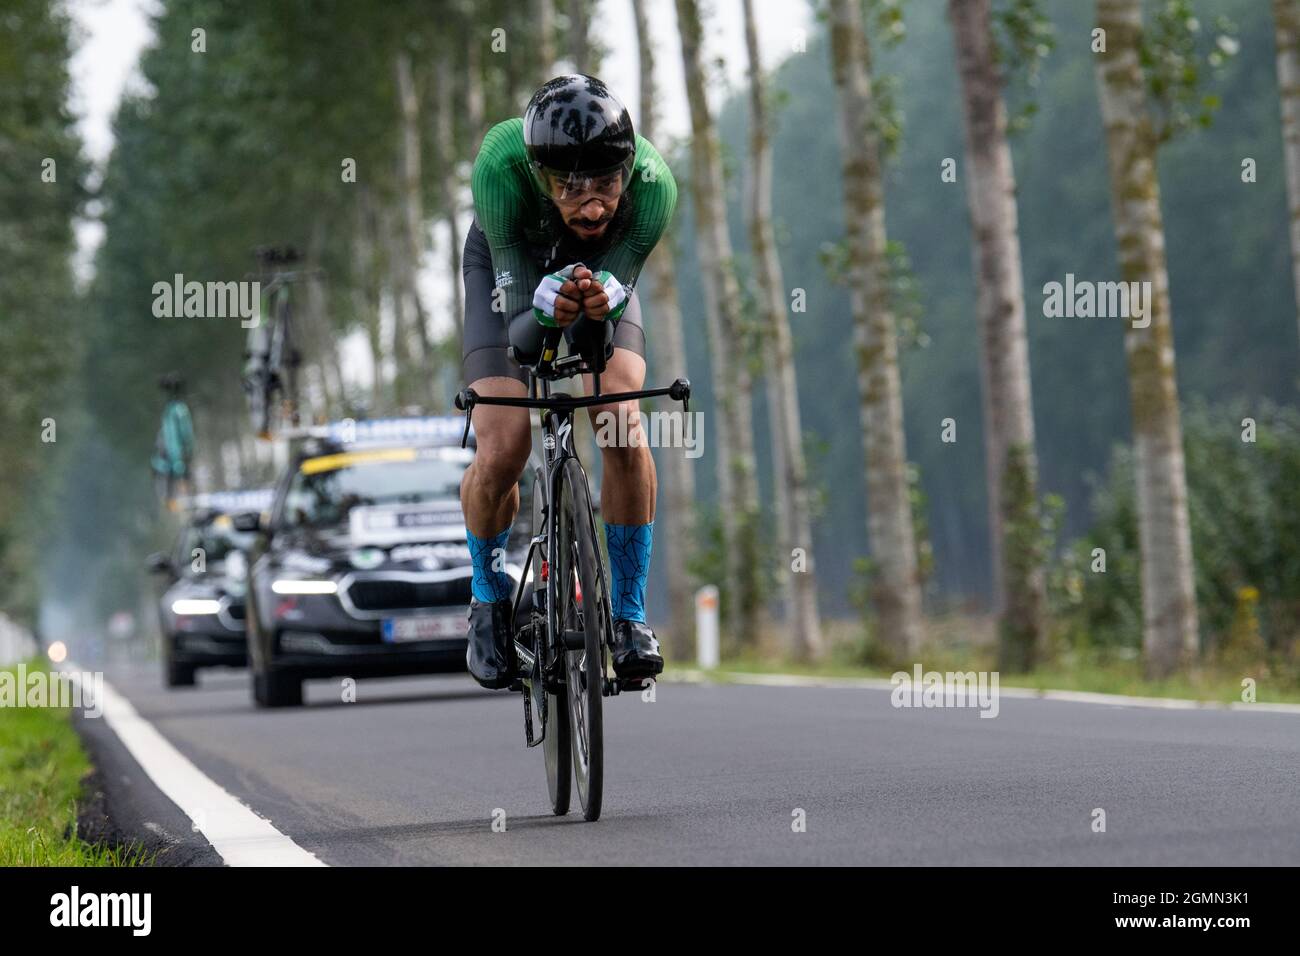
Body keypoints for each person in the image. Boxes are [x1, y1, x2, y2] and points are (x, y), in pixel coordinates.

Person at [460, 74, 677, 689]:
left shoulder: (654, 186)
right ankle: (485, 597)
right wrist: (540, 307)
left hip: (602, 270)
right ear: (539, 174)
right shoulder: (502, 166)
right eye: (570, 188)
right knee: (503, 446)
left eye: (607, 185)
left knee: (620, 421)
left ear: (628, 169)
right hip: (512, 265)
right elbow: (521, 332)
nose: (591, 206)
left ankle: (629, 616)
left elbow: (606, 313)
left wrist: (594, 301)